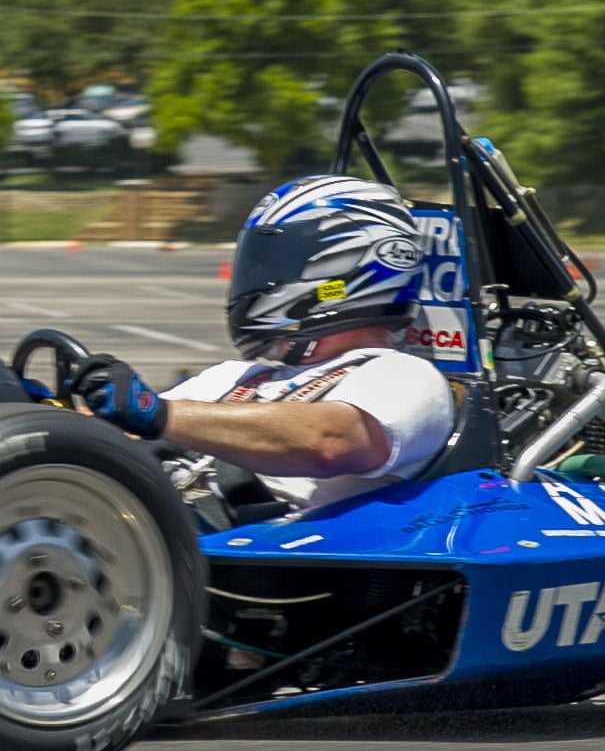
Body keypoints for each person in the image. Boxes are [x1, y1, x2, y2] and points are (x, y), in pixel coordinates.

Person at [70, 175, 454, 513]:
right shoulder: (237, 377)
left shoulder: (402, 374)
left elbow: (329, 442)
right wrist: (55, 415)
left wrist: (157, 414)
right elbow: (128, 427)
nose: (257, 277)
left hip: (268, 557)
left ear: (341, 267)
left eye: (278, 263)